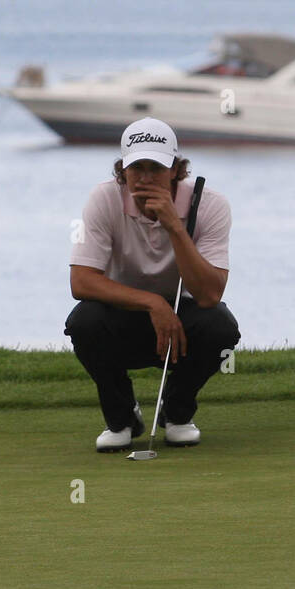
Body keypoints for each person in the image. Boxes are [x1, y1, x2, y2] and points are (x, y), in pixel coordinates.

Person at [64, 118, 240, 451]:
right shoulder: (104, 198)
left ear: (175, 169)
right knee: (84, 321)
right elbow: (81, 281)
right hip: (124, 315)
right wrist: (153, 303)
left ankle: (176, 412)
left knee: (221, 327)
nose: (145, 178)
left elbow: (210, 294)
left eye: (156, 168)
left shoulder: (210, 205)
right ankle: (121, 420)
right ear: (122, 171)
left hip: (183, 325)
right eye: (137, 168)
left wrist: (175, 227)